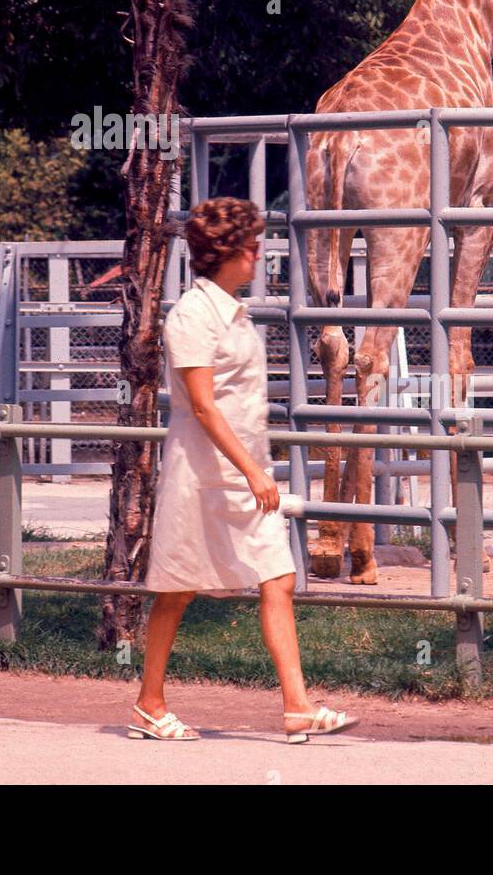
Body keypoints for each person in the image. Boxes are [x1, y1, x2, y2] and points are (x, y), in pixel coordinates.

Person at [132, 197, 358, 744]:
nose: (259, 256)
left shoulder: (233, 312)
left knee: (278, 577)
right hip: (203, 475)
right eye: (252, 247)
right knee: (177, 590)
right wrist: (253, 472)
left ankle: (297, 706)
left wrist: (256, 470)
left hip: (244, 473)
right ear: (228, 254)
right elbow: (203, 406)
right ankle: (149, 702)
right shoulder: (190, 315)